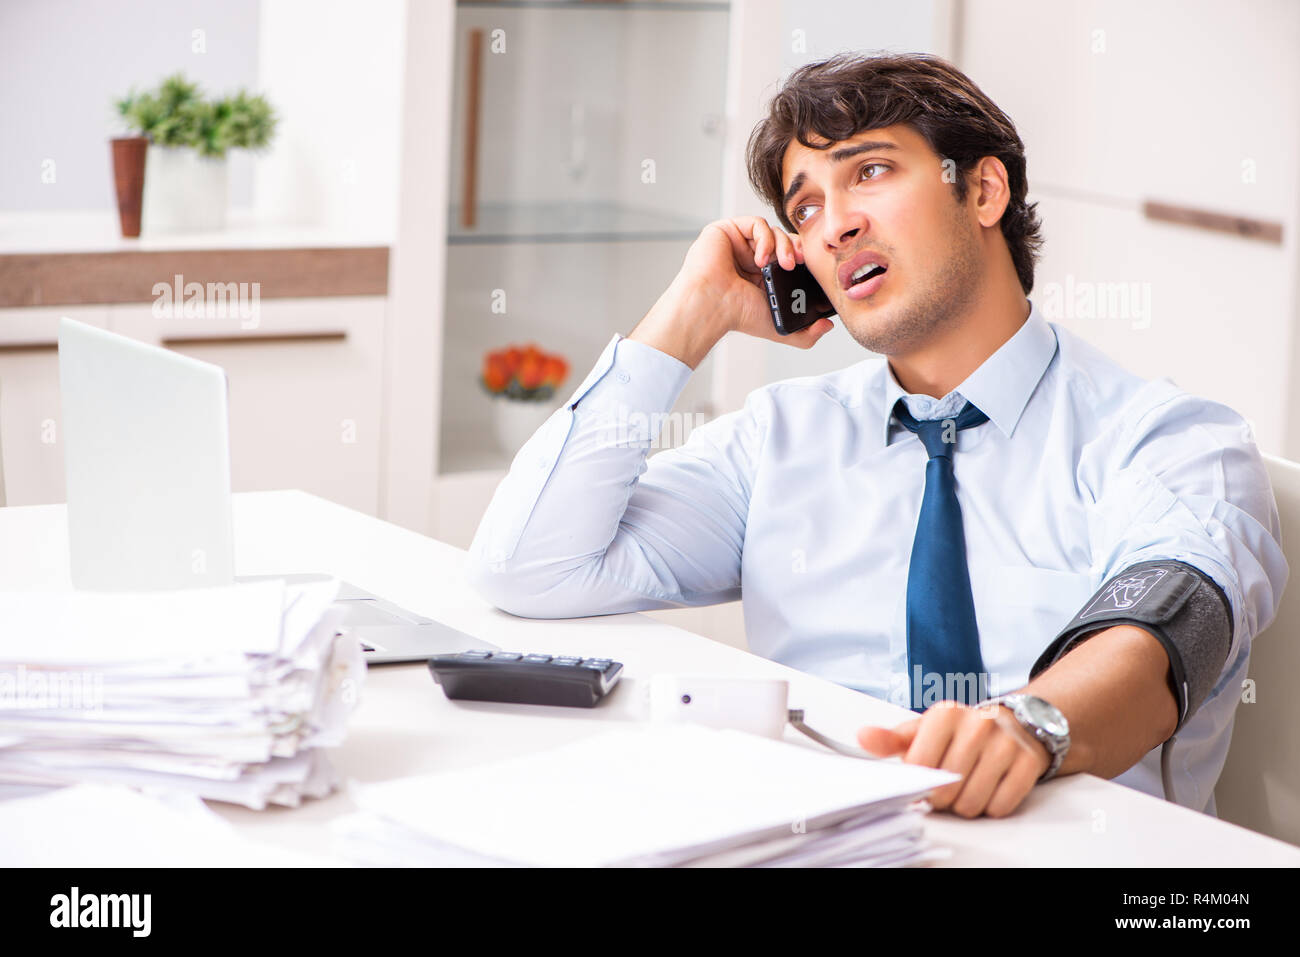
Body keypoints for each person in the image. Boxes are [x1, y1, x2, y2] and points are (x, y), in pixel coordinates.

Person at [465, 52, 1286, 819]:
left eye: (871, 171)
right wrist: (688, 316)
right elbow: (529, 565)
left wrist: (1032, 727)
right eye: (806, 207)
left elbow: (1166, 630)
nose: (834, 226)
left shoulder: (1171, 441)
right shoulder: (781, 440)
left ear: (985, 191)